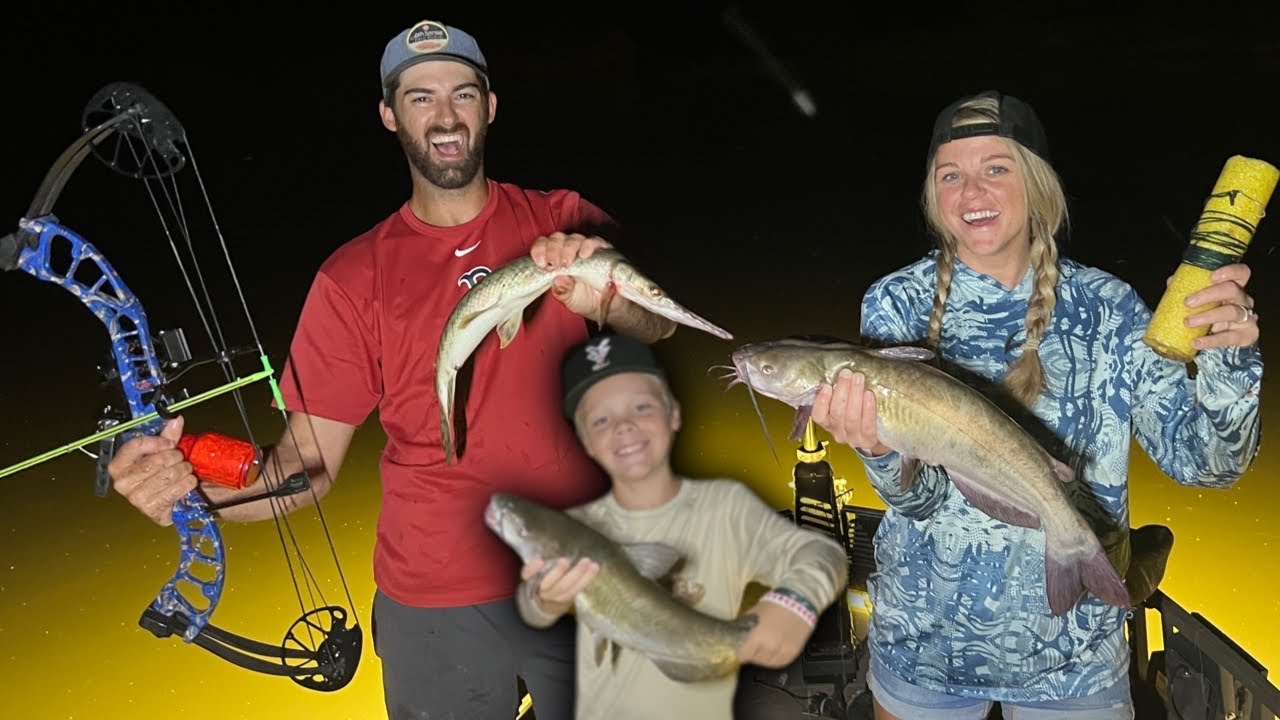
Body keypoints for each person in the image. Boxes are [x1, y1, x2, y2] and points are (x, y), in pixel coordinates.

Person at [105, 19, 681, 720]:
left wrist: (608, 301)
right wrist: (187, 496)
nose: (446, 116)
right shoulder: (353, 277)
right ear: (389, 115)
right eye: (420, 97)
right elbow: (305, 470)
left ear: (489, 106)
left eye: (462, 93)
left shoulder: (562, 221)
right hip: (437, 600)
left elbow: (658, 318)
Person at [809, 90, 1262, 720]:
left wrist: (1228, 358)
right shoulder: (897, 303)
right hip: (924, 646)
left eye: (996, 168)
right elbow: (919, 501)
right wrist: (879, 450)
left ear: (1037, 184)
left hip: (1077, 656)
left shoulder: (1109, 308)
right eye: (950, 175)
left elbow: (1207, 464)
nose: (971, 192)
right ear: (933, 195)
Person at [511, 332, 849, 720]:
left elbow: (823, 555)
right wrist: (543, 601)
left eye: (641, 406)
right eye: (601, 418)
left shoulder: (725, 508)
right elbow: (529, 607)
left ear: (674, 414)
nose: (623, 426)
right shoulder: (578, 524)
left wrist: (794, 604)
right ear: (584, 439)